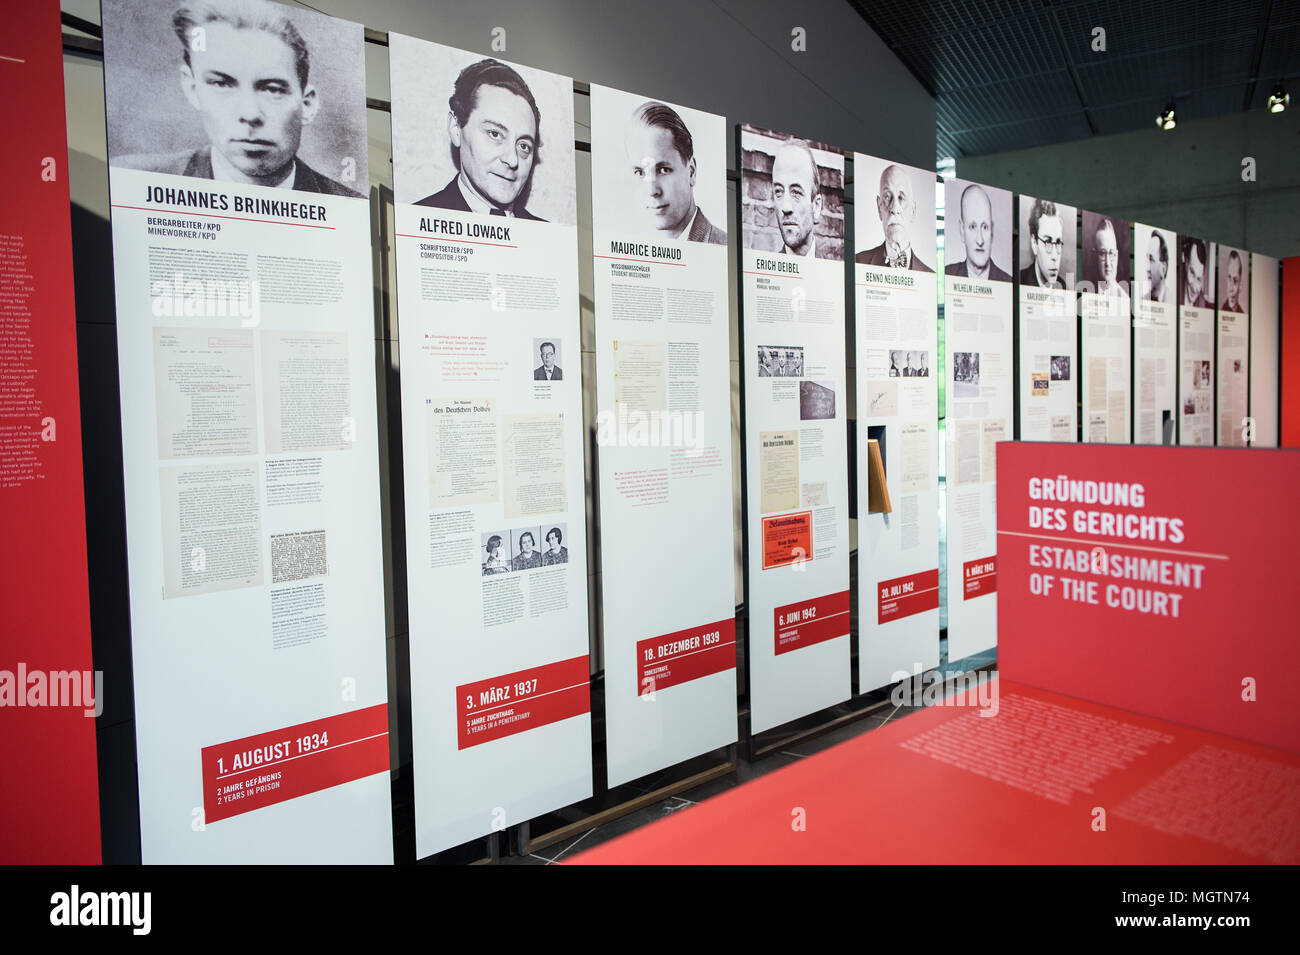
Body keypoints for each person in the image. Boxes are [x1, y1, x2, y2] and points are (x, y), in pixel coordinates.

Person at [117, 0, 361, 196]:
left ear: (307, 105)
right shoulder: (130, 179)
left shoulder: (347, 206)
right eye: (222, 84)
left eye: (272, 89)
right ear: (192, 89)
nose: (250, 113)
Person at [416, 58, 545, 219]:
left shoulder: (546, 232)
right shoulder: (416, 219)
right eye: (495, 134)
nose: (512, 160)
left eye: (523, 146)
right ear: (456, 128)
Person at [625, 101, 724, 244]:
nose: (652, 191)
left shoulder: (722, 245)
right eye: (640, 173)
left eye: (663, 170)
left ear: (691, 172)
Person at [855, 164, 932, 271]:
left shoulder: (930, 276)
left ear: (913, 211)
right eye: (887, 196)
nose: (894, 208)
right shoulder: (857, 262)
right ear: (879, 207)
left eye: (901, 197)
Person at [770, 140, 830, 258]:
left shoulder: (832, 267)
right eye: (779, 191)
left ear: (816, 206)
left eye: (796, 193)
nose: (785, 207)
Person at [945, 184, 1011, 281]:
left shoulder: (1007, 282)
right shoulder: (946, 275)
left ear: (992, 230)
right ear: (962, 231)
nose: (980, 241)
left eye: (985, 227)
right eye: (972, 227)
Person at [1019, 199, 1066, 289]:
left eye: (1058, 242)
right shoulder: (1020, 281)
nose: (1054, 256)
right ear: (1034, 243)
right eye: (1047, 242)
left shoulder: (1063, 287)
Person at [1092, 218, 1129, 302]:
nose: (1108, 263)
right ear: (1095, 255)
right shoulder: (1086, 292)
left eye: (1111, 253)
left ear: (1117, 256)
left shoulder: (1124, 300)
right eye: (1102, 253)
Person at [1180, 238, 1208, 308]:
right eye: (1192, 273)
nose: (1194, 288)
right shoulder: (1174, 291)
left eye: (1199, 279)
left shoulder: (1203, 304)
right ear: (1186, 264)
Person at [1145, 231, 1170, 303]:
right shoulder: (1143, 300)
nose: (1147, 268)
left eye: (1151, 260)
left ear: (1163, 269)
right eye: (1147, 259)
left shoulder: (1171, 300)